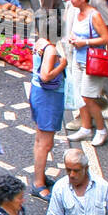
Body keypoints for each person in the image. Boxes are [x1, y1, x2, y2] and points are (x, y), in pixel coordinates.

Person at [63, 0, 108, 147]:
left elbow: (106, 38)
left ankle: (101, 130)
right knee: (79, 96)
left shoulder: (94, 15)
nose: (70, 0)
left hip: (92, 63)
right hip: (78, 60)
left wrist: (84, 42)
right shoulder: (78, 13)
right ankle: (85, 128)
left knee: (88, 97)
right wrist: (73, 39)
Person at [28, 37, 68, 199]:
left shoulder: (40, 42)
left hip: (39, 94)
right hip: (48, 98)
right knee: (45, 143)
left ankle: (40, 176)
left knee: (40, 140)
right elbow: (45, 76)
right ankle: (39, 184)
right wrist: (63, 65)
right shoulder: (51, 49)